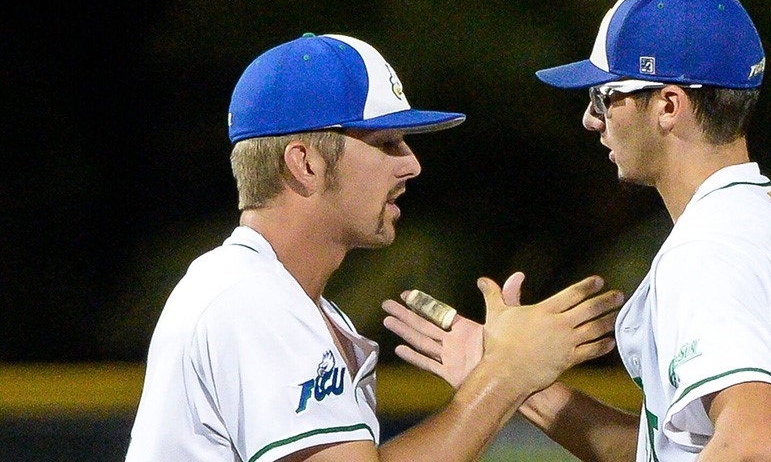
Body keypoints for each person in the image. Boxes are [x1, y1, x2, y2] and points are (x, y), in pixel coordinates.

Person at [384, 0, 771, 460]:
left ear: (667, 105)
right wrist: (509, 379)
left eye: (605, 97)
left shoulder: (709, 247)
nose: (591, 119)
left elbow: (756, 450)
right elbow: (674, 450)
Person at [125, 33, 623, 462]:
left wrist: (503, 378)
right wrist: (505, 378)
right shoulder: (251, 300)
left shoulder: (279, 297)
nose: (411, 165)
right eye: (387, 143)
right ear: (305, 164)